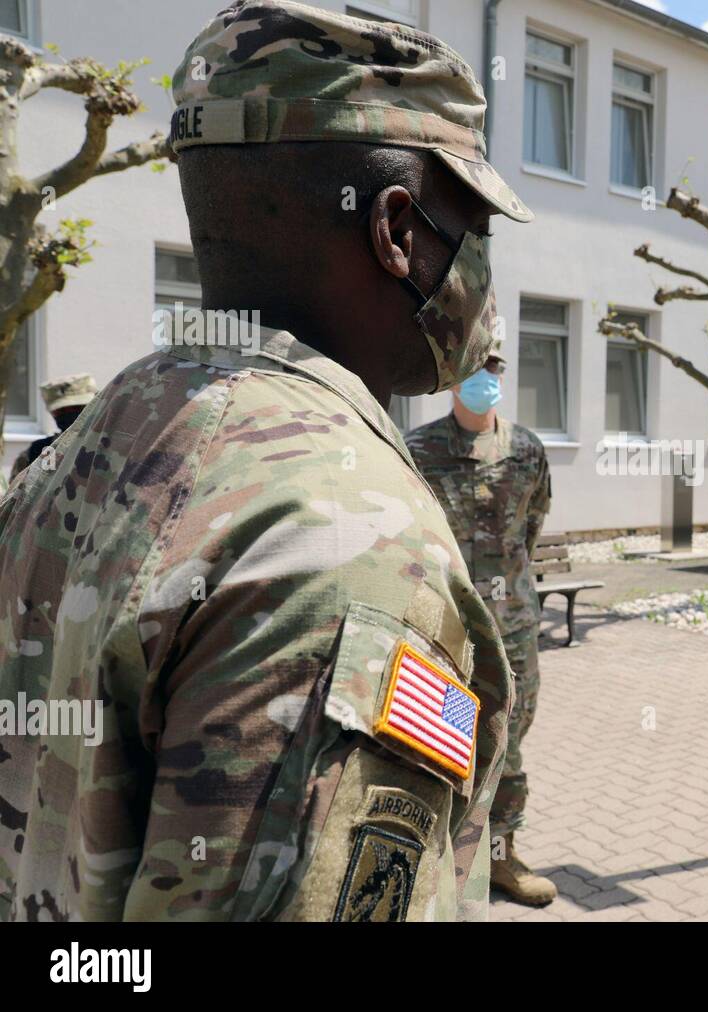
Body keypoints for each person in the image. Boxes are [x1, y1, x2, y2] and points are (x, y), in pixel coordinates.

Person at [0, 0, 535, 922]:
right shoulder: (349, 545)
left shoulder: (91, 442)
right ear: (397, 233)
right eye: (473, 230)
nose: (481, 273)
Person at [406, 338, 554, 905]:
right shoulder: (418, 450)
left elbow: (531, 527)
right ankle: (438, 858)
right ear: (452, 379)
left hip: (512, 629)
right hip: (445, 629)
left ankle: (501, 856)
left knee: (509, 741)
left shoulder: (526, 451)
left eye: (492, 369)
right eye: (474, 370)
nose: (483, 379)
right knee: (441, 739)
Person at [7, 373, 98, 482]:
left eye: (76, 408)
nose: (69, 414)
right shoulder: (36, 453)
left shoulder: (108, 444)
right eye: (61, 411)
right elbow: (16, 494)